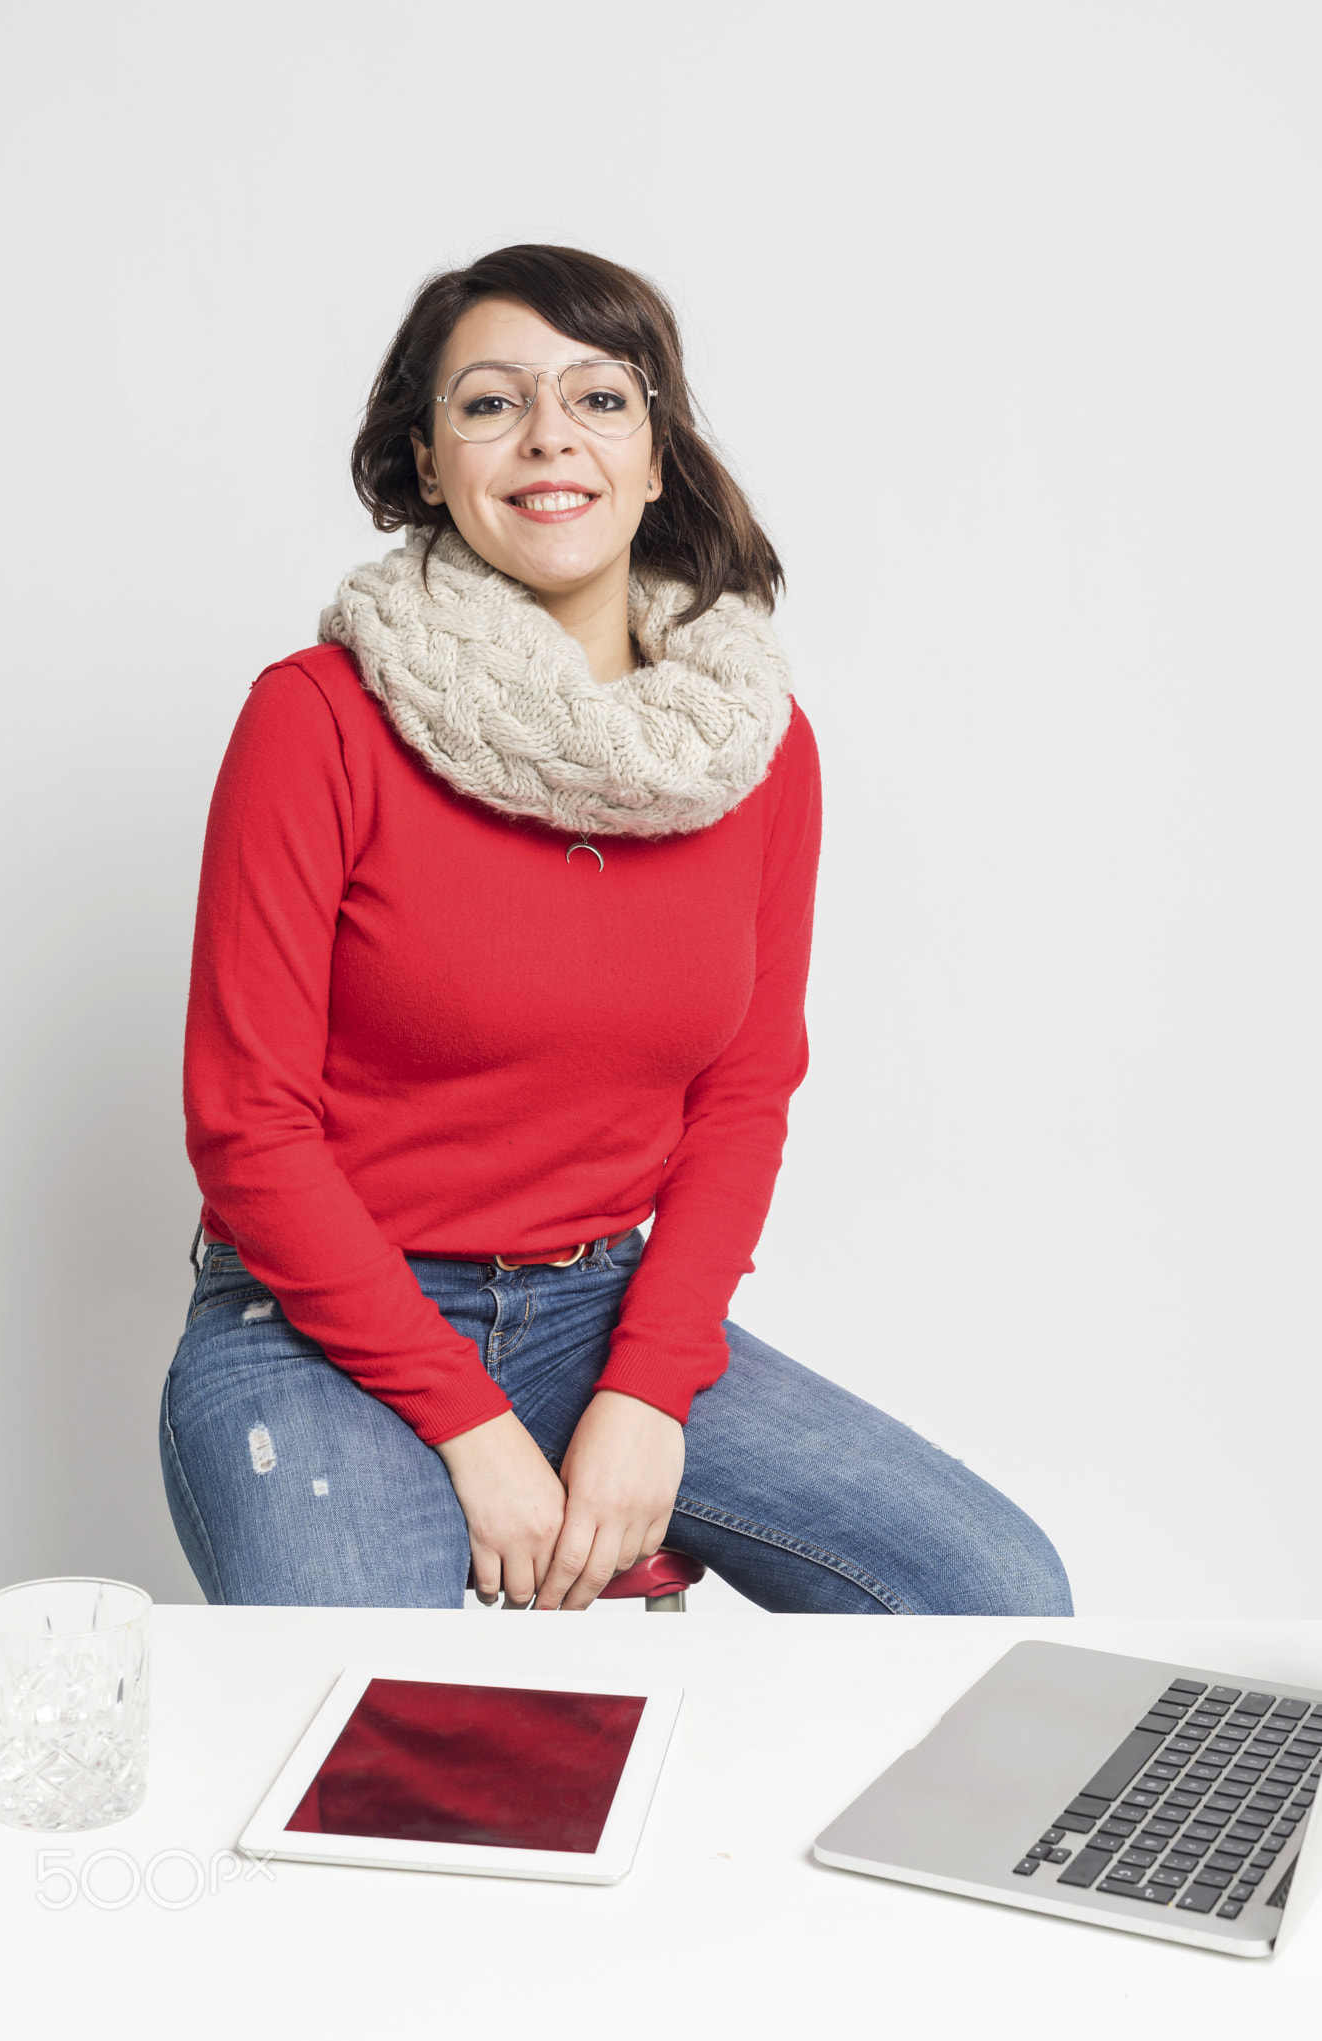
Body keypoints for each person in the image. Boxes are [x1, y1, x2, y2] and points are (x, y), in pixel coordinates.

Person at [161, 243, 1072, 1617]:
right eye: (489, 404)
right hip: (315, 1326)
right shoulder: (319, 717)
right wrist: (469, 1426)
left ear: (656, 461)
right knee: (363, 1721)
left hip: (597, 1310)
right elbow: (247, 1124)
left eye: (599, 399)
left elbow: (743, 1090)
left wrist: (648, 1388)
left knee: (993, 1591)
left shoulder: (754, 749)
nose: (548, 438)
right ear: (423, 464)